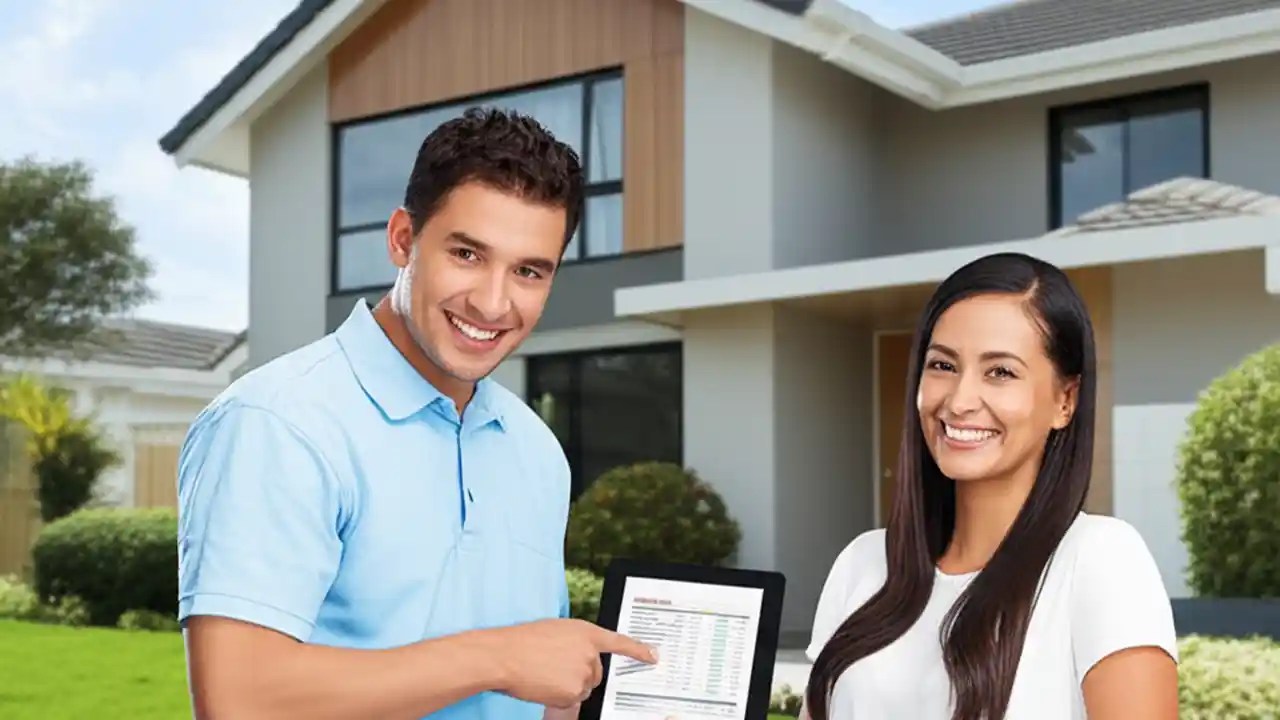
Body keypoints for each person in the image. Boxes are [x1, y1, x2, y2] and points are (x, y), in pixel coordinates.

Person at [175, 107, 656, 720]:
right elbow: (240, 699)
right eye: (467, 254)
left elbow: (523, 694)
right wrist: (501, 658)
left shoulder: (534, 448)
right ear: (403, 239)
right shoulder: (276, 422)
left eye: (529, 271)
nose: (492, 302)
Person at [801, 252, 1179, 720]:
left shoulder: (1099, 560)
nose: (959, 401)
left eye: (1000, 372)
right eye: (942, 365)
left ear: (1065, 400)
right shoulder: (862, 565)